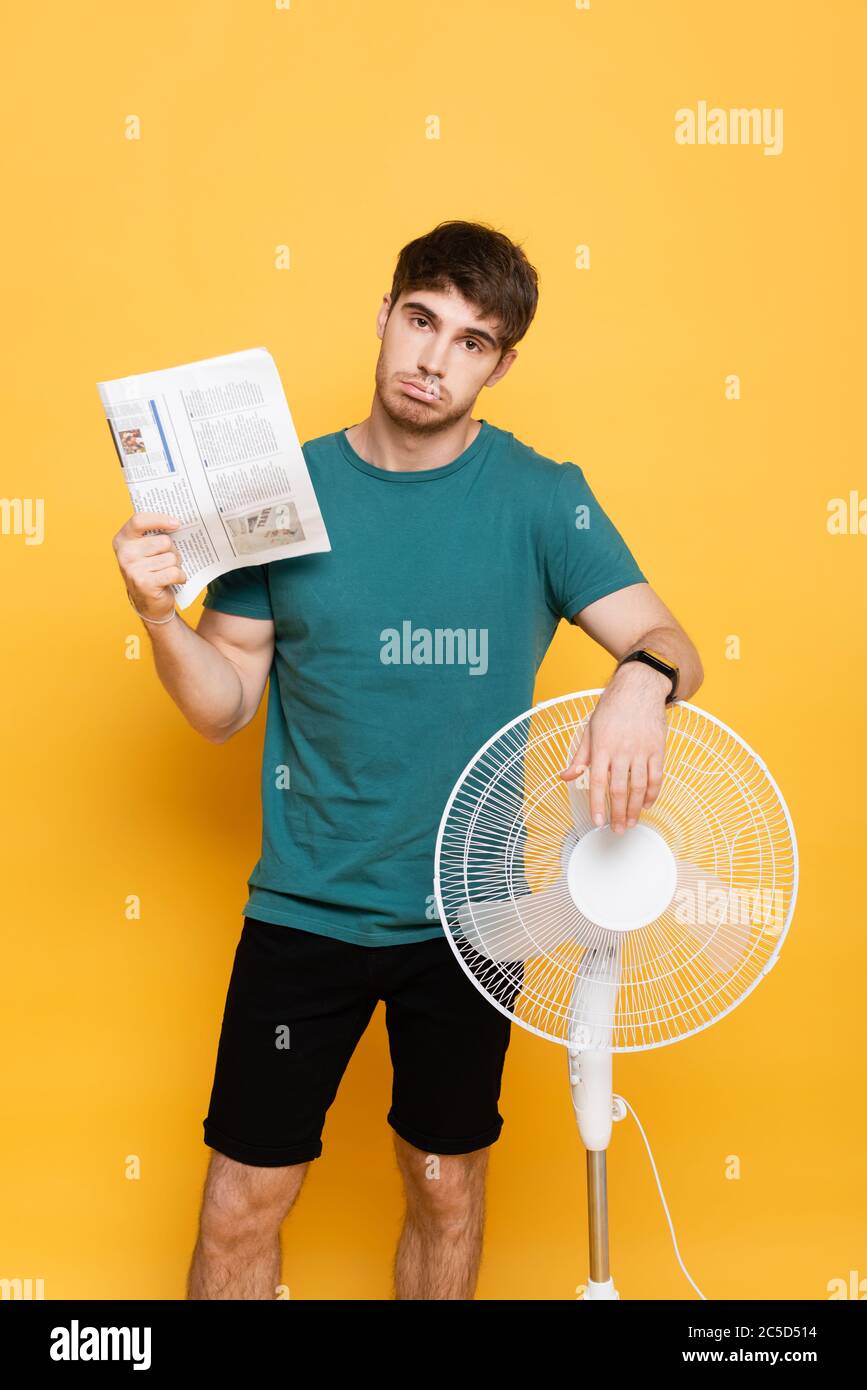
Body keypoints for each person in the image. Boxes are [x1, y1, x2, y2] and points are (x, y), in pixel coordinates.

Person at [111, 219, 703, 1300]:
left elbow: (671, 643)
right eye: (423, 321)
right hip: (306, 909)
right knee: (242, 1199)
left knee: (446, 1185)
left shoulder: (539, 496)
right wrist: (161, 618)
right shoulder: (277, 495)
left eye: (472, 341)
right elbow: (225, 700)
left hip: (471, 922)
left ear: (502, 363)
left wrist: (637, 682)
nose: (434, 358)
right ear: (384, 318)